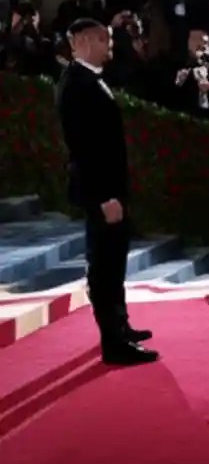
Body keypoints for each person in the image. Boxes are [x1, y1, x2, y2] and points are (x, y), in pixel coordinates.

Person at [56, 19, 158, 365]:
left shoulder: (91, 80)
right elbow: (83, 148)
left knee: (114, 261)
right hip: (102, 192)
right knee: (104, 265)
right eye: (104, 39)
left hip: (112, 189)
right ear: (83, 41)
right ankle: (114, 344)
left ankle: (121, 327)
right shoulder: (75, 85)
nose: (109, 45)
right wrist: (104, 197)